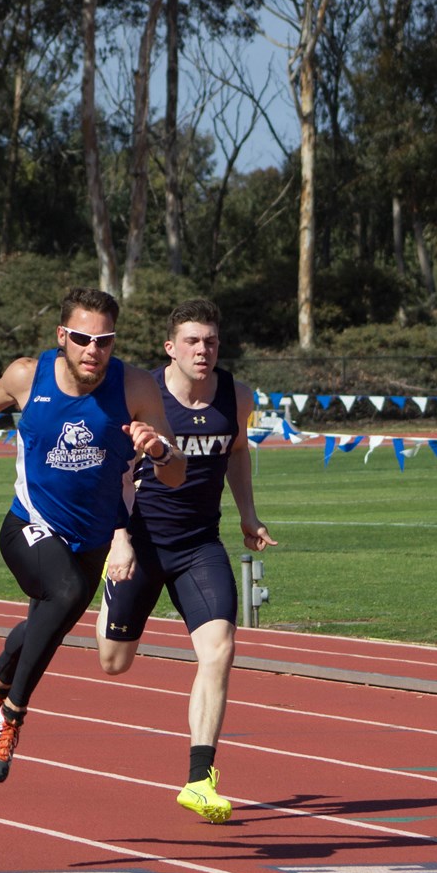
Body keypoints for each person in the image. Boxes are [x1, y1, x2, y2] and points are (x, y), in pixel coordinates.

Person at [0, 286, 184, 783]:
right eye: (84, 338)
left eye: (105, 340)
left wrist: (159, 452)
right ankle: (10, 718)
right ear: (62, 335)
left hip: (91, 539)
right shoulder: (29, 375)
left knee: (53, 619)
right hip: (29, 524)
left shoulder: (135, 388)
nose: (94, 350)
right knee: (64, 593)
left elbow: (177, 475)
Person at [94, 299, 273, 823]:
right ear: (170, 347)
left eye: (212, 341)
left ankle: (199, 778)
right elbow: (110, 473)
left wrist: (249, 514)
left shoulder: (236, 395)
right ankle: (110, 602)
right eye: (193, 341)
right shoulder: (141, 397)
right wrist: (118, 538)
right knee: (113, 662)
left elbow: (237, 451)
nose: (204, 350)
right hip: (142, 541)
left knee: (219, 649)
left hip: (199, 544)